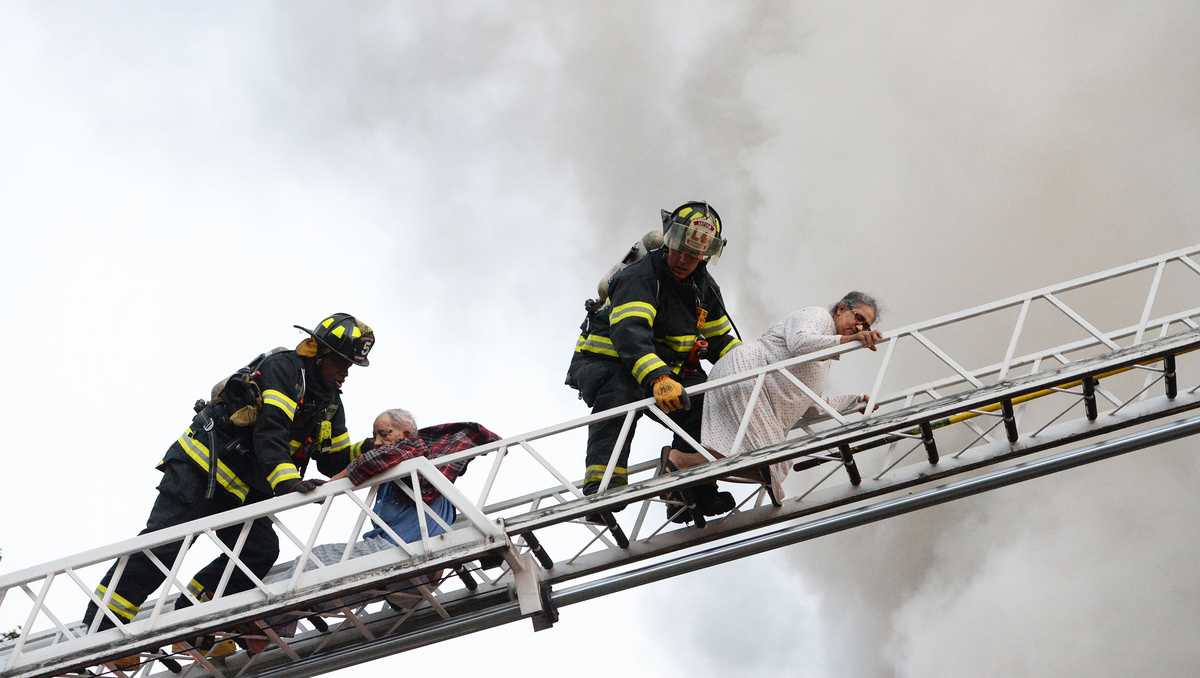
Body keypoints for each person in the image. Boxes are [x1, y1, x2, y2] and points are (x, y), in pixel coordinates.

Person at [83, 313, 374, 665]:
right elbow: (272, 431)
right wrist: (287, 482)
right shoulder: (285, 370)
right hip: (201, 469)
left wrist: (371, 448)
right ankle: (102, 634)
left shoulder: (329, 402)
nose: (346, 372)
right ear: (320, 353)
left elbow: (332, 459)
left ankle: (192, 622)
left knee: (258, 550)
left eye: (350, 366)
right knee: (163, 547)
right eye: (342, 362)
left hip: (241, 487)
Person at [565, 201, 742, 523]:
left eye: (695, 255)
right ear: (669, 240)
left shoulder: (705, 288)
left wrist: (750, 366)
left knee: (705, 400)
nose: (685, 261)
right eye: (680, 250)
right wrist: (658, 377)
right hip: (611, 361)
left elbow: (720, 339)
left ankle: (687, 489)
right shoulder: (640, 276)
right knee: (618, 400)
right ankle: (603, 492)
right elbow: (630, 334)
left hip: (663, 370)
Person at [668, 292, 882, 501]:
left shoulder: (823, 360)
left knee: (771, 468)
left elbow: (810, 405)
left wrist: (856, 402)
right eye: (859, 318)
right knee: (769, 463)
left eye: (866, 326)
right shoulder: (817, 316)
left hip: (758, 396)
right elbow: (799, 343)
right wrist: (849, 339)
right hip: (748, 377)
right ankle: (681, 462)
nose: (860, 327)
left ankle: (682, 467)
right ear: (841, 309)